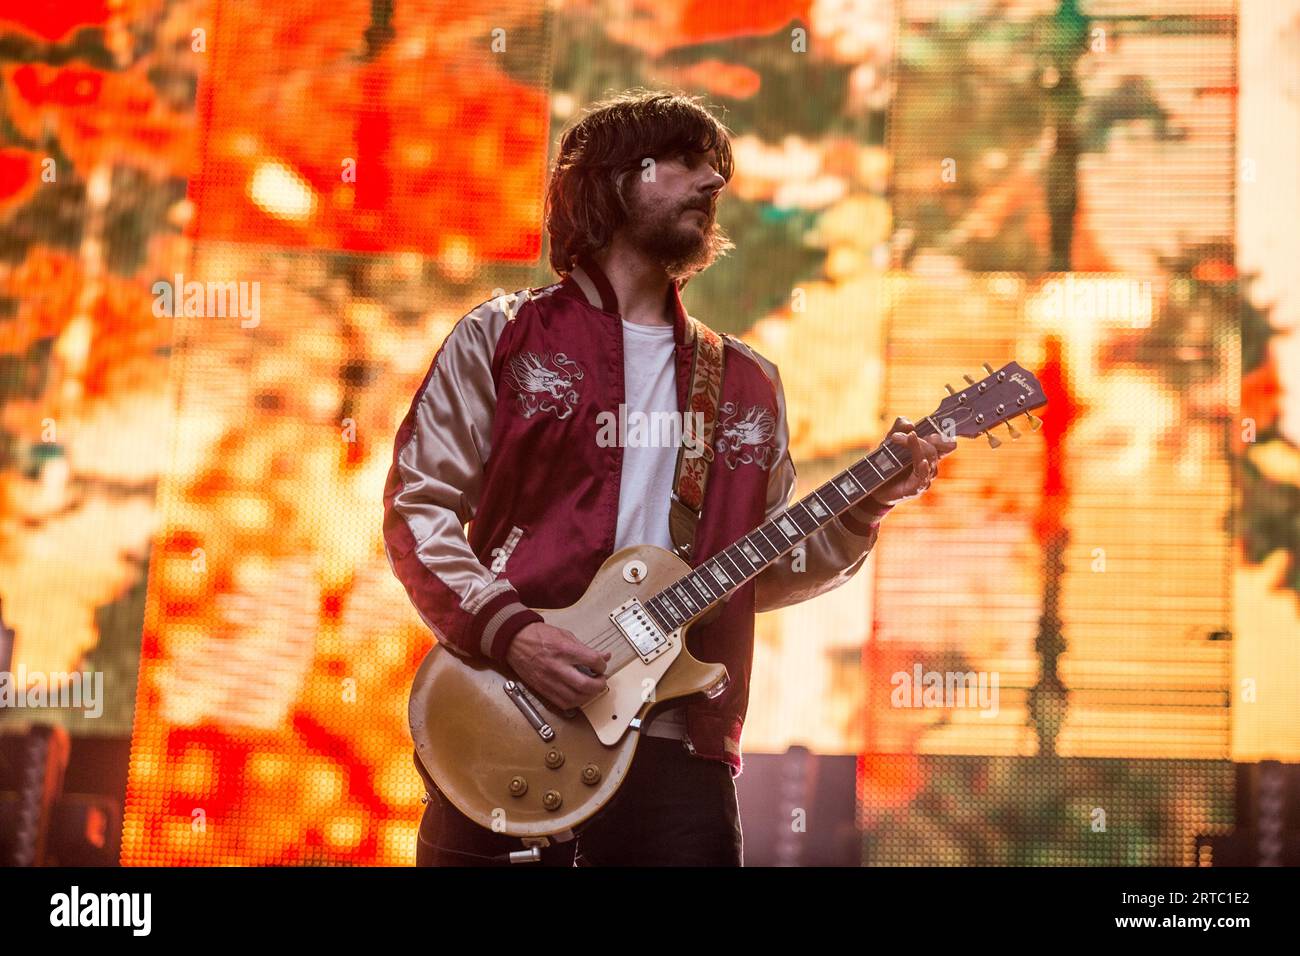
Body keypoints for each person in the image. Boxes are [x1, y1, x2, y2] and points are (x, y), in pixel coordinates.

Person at [383, 89, 955, 866]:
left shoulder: (746, 381)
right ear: (614, 179)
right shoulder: (502, 336)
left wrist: (867, 507)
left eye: (715, 170)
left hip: (680, 747)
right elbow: (420, 509)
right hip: (506, 718)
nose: (713, 185)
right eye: (686, 162)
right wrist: (511, 634)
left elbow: (764, 567)